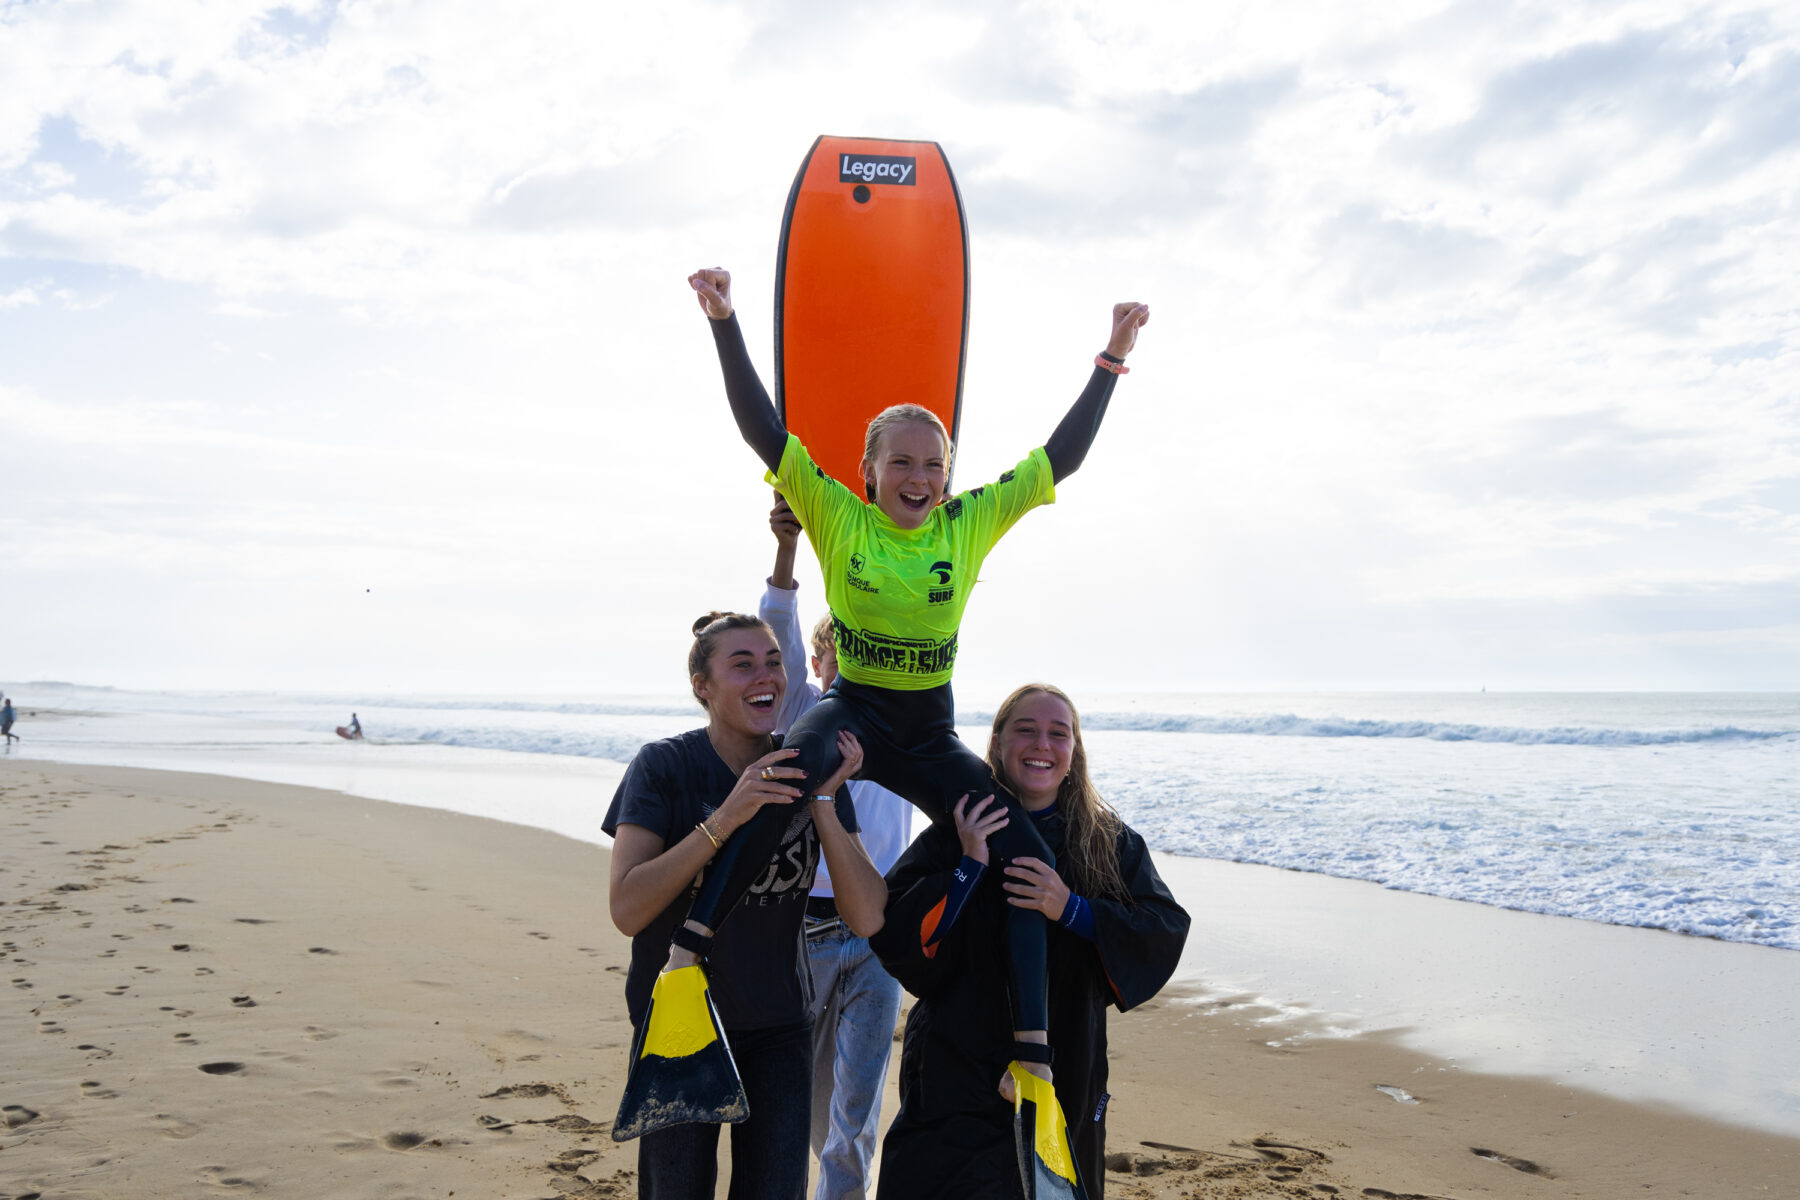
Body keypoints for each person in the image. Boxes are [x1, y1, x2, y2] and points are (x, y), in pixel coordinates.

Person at [688, 264, 1148, 1095]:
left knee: (1019, 847)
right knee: (783, 773)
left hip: (930, 736)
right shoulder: (838, 515)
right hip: (855, 712)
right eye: (901, 462)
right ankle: (691, 950)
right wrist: (724, 319)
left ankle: (1031, 1054)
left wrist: (1110, 358)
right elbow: (762, 428)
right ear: (868, 471)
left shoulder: (969, 521)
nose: (919, 478)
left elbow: (1061, 458)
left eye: (932, 464)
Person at [604, 612, 888, 1200]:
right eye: (742, 664)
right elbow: (628, 908)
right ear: (702, 686)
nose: (766, 676)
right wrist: (726, 818)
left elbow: (866, 917)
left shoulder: (805, 764)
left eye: (772, 661)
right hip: (682, 1017)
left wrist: (826, 801)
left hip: (780, 1026)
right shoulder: (664, 766)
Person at [870, 684, 1189, 1198]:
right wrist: (967, 868)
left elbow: (1163, 927)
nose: (1042, 743)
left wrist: (1073, 909)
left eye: (1058, 734)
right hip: (957, 1060)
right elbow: (894, 928)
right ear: (996, 744)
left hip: (1066, 1054)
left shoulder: (1108, 842)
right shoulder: (958, 829)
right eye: (1026, 730)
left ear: (1073, 753)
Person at [760, 495, 914, 1200]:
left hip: (878, 937)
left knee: (854, 1113)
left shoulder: (909, 724)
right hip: (800, 930)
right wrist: (789, 550)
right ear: (821, 661)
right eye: (838, 649)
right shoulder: (803, 715)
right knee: (794, 1103)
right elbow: (778, 628)